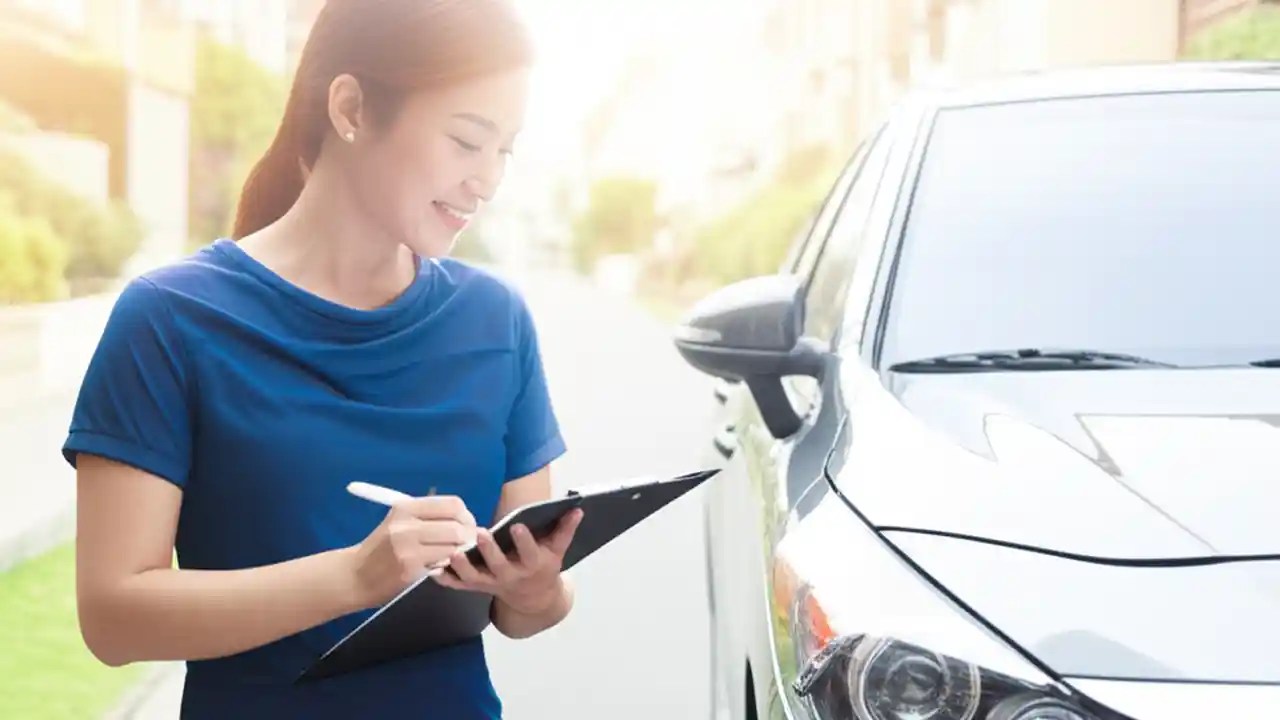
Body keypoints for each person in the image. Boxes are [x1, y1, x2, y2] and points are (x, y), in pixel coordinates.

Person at [60, 0, 582, 717]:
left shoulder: (498, 321)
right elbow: (113, 618)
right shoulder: (171, 321)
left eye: (505, 150)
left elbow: (521, 610)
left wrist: (535, 589)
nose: (487, 179)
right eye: (466, 141)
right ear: (352, 107)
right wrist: (356, 575)